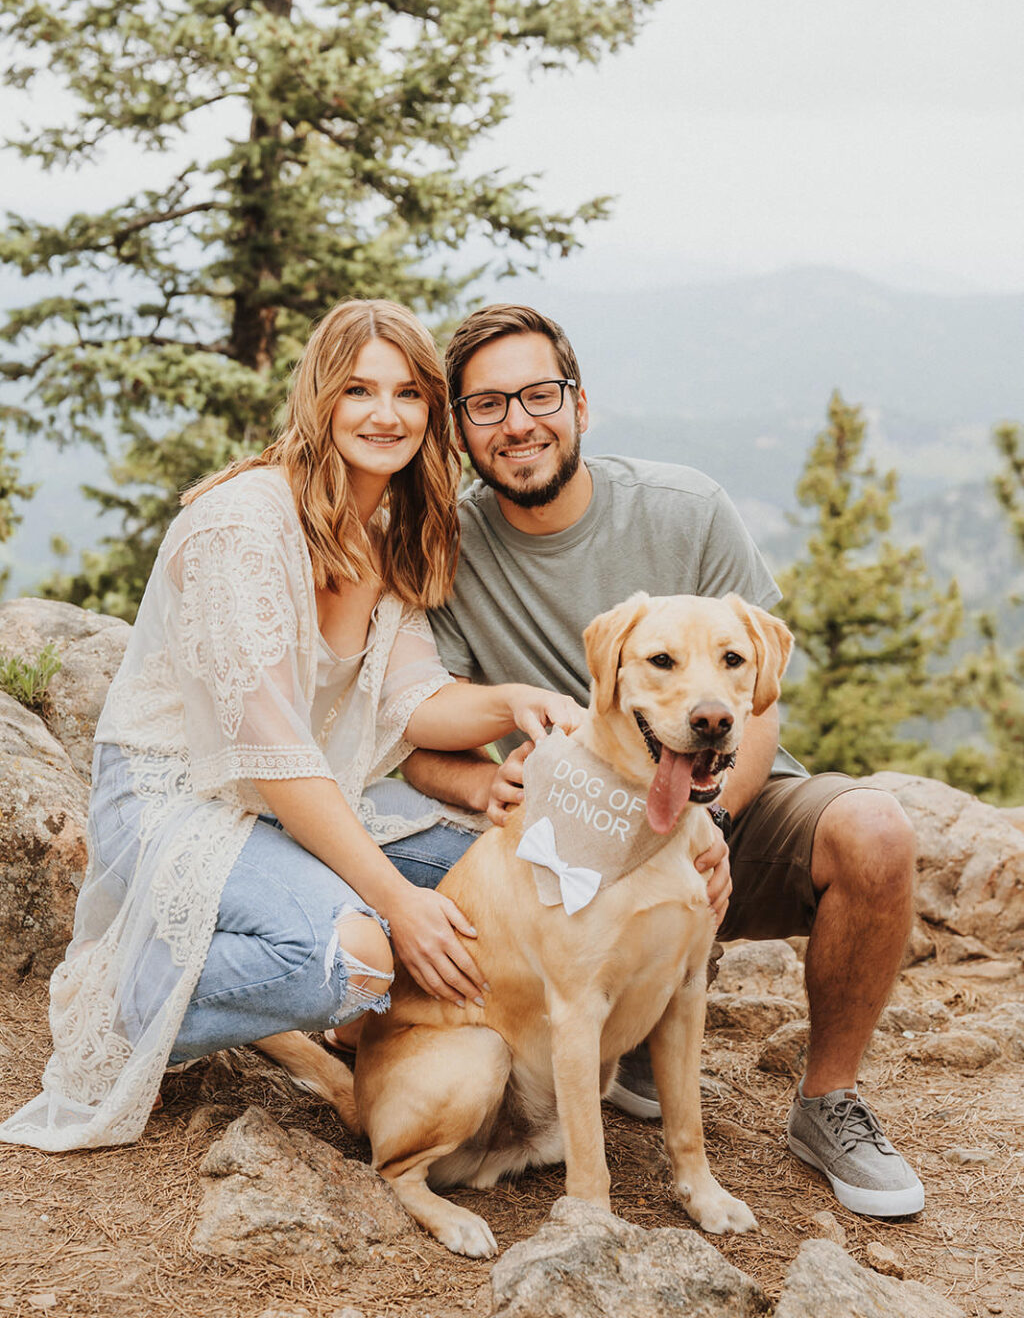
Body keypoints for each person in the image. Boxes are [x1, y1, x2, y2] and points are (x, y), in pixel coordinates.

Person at [0, 299, 580, 1153]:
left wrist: (514, 703)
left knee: (491, 871)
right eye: (358, 391)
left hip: (290, 797)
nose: (385, 415)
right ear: (321, 401)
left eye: (408, 395)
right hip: (178, 792)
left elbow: (412, 698)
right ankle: (121, 1000)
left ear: (431, 412)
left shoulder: (386, 533)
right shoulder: (245, 525)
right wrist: (396, 904)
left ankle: (374, 1026)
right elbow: (273, 754)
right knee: (362, 953)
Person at [388, 302, 924, 1220]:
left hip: (724, 816)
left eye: (539, 395)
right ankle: (623, 1043)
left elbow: (755, 703)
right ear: (460, 429)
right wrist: (483, 780)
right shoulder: (451, 554)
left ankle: (827, 1101)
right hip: (577, 838)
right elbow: (411, 737)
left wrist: (712, 820)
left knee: (876, 830)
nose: (519, 422)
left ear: (580, 404)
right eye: (487, 406)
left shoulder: (686, 509)